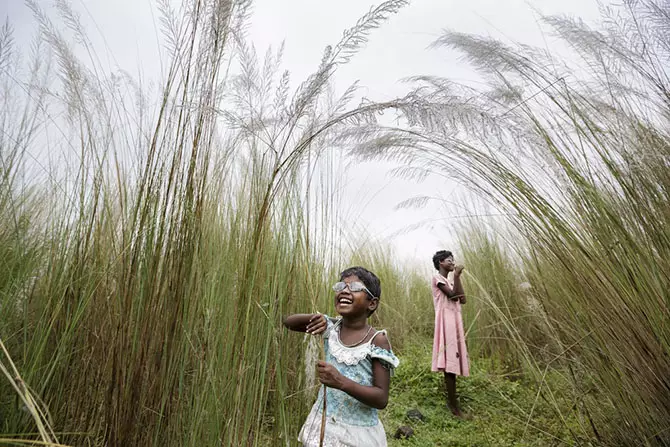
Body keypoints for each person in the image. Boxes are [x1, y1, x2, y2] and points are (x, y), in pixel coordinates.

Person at [283, 266, 399, 447]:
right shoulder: (330, 328)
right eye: (341, 286)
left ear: (372, 303)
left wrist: (341, 382)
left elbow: (381, 398)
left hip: (356, 433)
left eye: (354, 288)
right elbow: (288, 322)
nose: (344, 290)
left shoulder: (377, 341)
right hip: (324, 423)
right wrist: (316, 317)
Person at [431, 250, 469, 417]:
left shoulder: (450, 281)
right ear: (440, 262)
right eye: (449, 260)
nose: (453, 262)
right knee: (449, 364)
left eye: (453, 259)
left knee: (453, 360)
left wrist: (457, 279)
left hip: (454, 322)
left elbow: (463, 298)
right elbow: (453, 296)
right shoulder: (438, 279)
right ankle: (454, 407)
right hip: (445, 323)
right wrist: (458, 277)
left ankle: (454, 403)